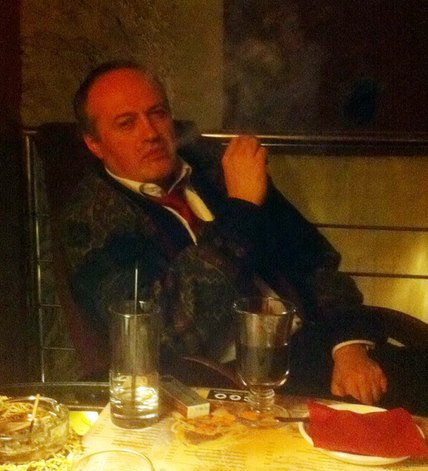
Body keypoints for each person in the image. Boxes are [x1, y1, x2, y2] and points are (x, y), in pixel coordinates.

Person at [61, 60, 427, 412]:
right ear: (95, 143)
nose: (151, 134)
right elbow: (168, 332)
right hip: (234, 387)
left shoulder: (213, 168)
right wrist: (241, 210)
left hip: (319, 345)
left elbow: (312, 259)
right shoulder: (92, 219)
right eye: (126, 123)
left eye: (157, 113)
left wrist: (348, 346)